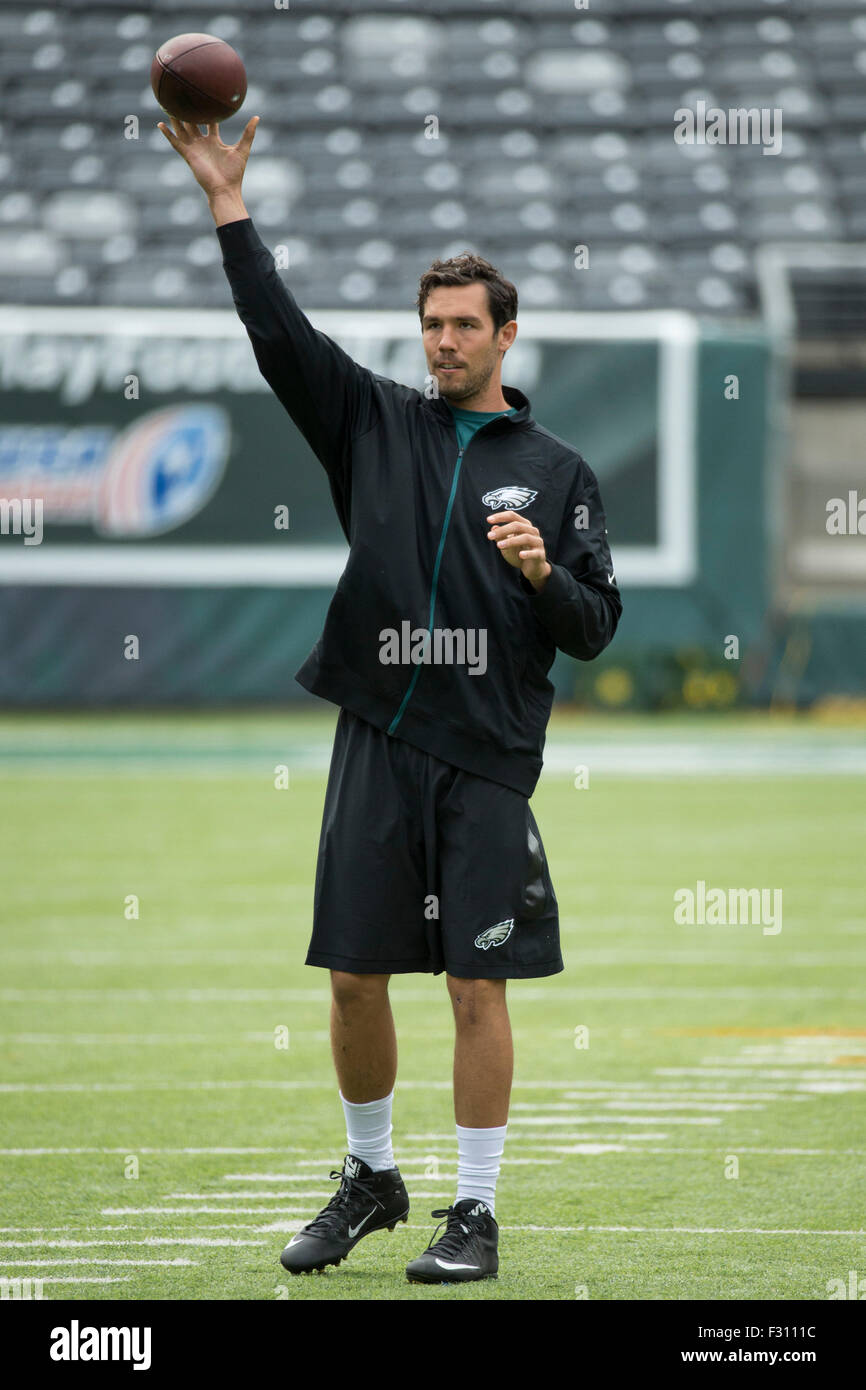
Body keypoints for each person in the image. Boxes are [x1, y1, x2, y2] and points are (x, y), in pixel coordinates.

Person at [159, 114, 623, 1284]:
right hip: (376, 732)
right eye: (430, 326)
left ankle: (472, 1211)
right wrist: (227, 203)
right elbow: (278, 337)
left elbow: (593, 629)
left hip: (485, 751)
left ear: (505, 335)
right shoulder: (372, 422)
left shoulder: (558, 470)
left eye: (464, 326)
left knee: (478, 981)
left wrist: (539, 574)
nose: (443, 343)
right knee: (353, 973)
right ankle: (371, 1176)